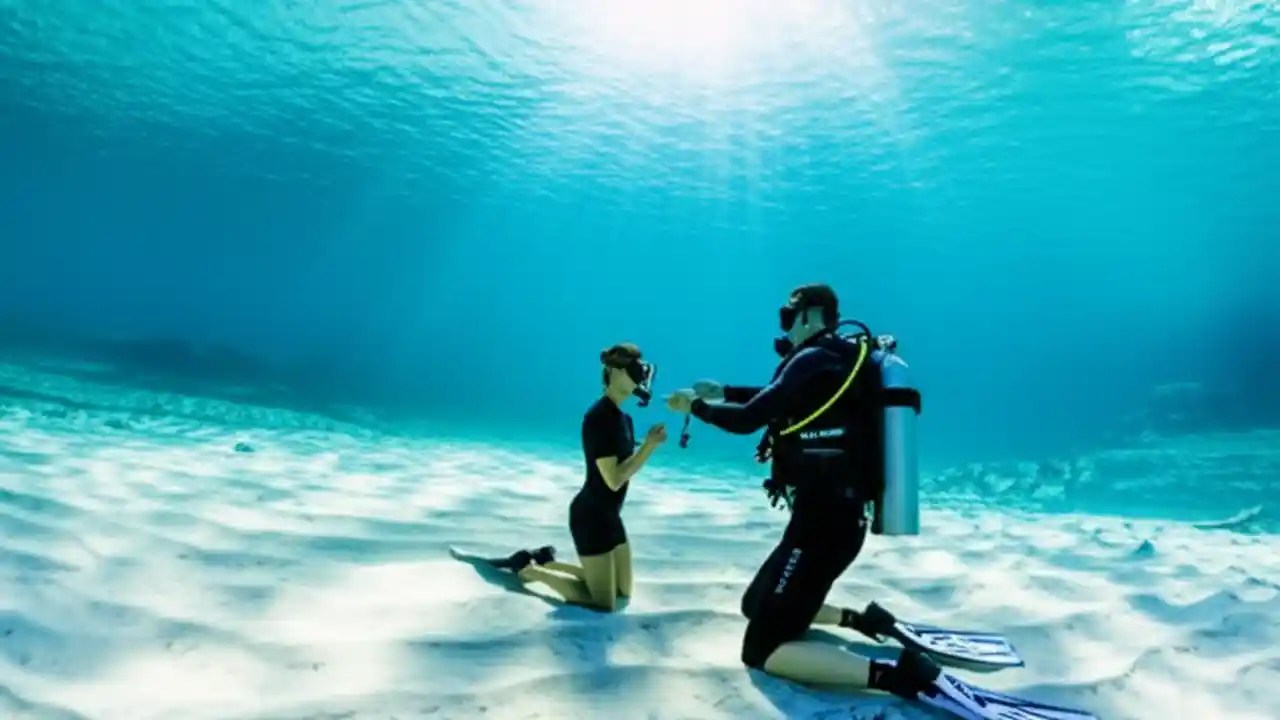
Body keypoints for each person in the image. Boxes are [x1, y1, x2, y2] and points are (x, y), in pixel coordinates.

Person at [665, 284, 945, 701]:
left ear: (811, 316)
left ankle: (898, 677)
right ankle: (862, 620)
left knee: (760, 650)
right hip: (829, 521)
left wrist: (697, 409)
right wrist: (721, 390)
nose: (783, 326)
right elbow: (781, 398)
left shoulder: (815, 357)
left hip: (823, 528)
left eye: (786, 316)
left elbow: (749, 419)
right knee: (753, 604)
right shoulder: (835, 359)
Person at [492, 343, 666, 611]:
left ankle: (547, 562)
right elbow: (614, 480)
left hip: (611, 516)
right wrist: (649, 447)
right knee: (604, 603)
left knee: (623, 592)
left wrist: (645, 447)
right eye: (635, 369)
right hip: (590, 517)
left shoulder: (625, 420)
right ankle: (527, 569)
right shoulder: (598, 417)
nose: (642, 376)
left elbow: (625, 466)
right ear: (615, 371)